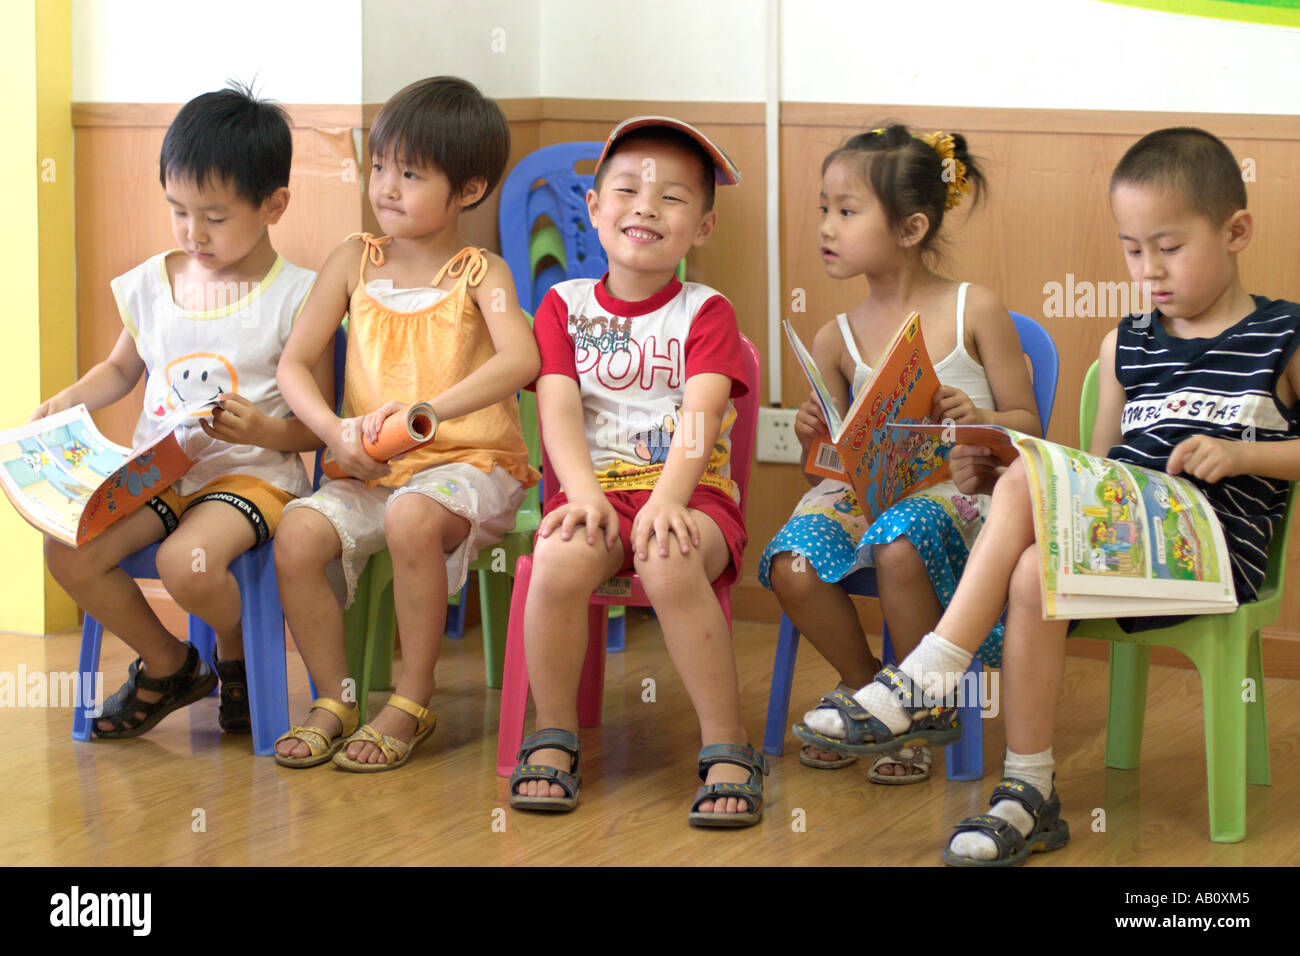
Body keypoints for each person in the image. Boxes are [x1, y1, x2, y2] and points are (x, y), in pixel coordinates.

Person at [802, 127, 1300, 865]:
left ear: (1236, 232)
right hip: (1126, 541)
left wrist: (1242, 452)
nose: (1148, 270)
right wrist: (1003, 474)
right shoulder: (1125, 342)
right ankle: (1029, 792)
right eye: (1133, 249)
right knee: (1037, 562)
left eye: (1169, 247)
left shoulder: (1282, 336)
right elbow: (1095, 469)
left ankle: (931, 672)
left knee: (1040, 502)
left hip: (1217, 552)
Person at [38, 84, 329, 739]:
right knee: (68, 553)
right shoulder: (153, 283)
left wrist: (263, 428)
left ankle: (239, 656)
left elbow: (318, 427)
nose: (193, 233)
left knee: (185, 564)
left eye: (215, 216)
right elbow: (120, 370)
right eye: (178, 210)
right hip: (157, 474)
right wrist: (63, 402)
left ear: (273, 205)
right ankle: (173, 666)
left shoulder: (299, 298)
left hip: (251, 477)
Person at [272, 76, 539, 771]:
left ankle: (413, 700)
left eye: (411, 173)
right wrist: (334, 433)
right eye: (381, 166)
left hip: (471, 468)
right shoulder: (352, 259)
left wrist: (430, 412)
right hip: (371, 468)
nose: (387, 186)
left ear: (469, 190)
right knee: (297, 533)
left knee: (414, 517)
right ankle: (336, 696)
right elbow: (295, 366)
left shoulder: (483, 272)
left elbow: (524, 357)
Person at [761, 125, 1039, 783]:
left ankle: (920, 699)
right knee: (793, 561)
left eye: (847, 211)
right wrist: (811, 437)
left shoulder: (976, 308)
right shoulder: (836, 338)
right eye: (824, 208)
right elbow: (823, 469)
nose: (827, 226)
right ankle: (873, 697)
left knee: (900, 538)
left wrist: (983, 418)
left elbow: (1030, 425)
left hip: (959, 496)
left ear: (910, 229)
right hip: (869, 492)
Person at [510, 117, 761, 826]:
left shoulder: (706, 312)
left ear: (703, 227)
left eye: (673, 198)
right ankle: (554, 733)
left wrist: (671, 500)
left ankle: (726, 744)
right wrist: (581, 494)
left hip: (694, 497)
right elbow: (557, 412)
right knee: (556, 558)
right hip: (597, 496)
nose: (646, 206)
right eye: (627, 189)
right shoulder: (562, 308)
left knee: (669, 555)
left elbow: (702, 415)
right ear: (595, 209)